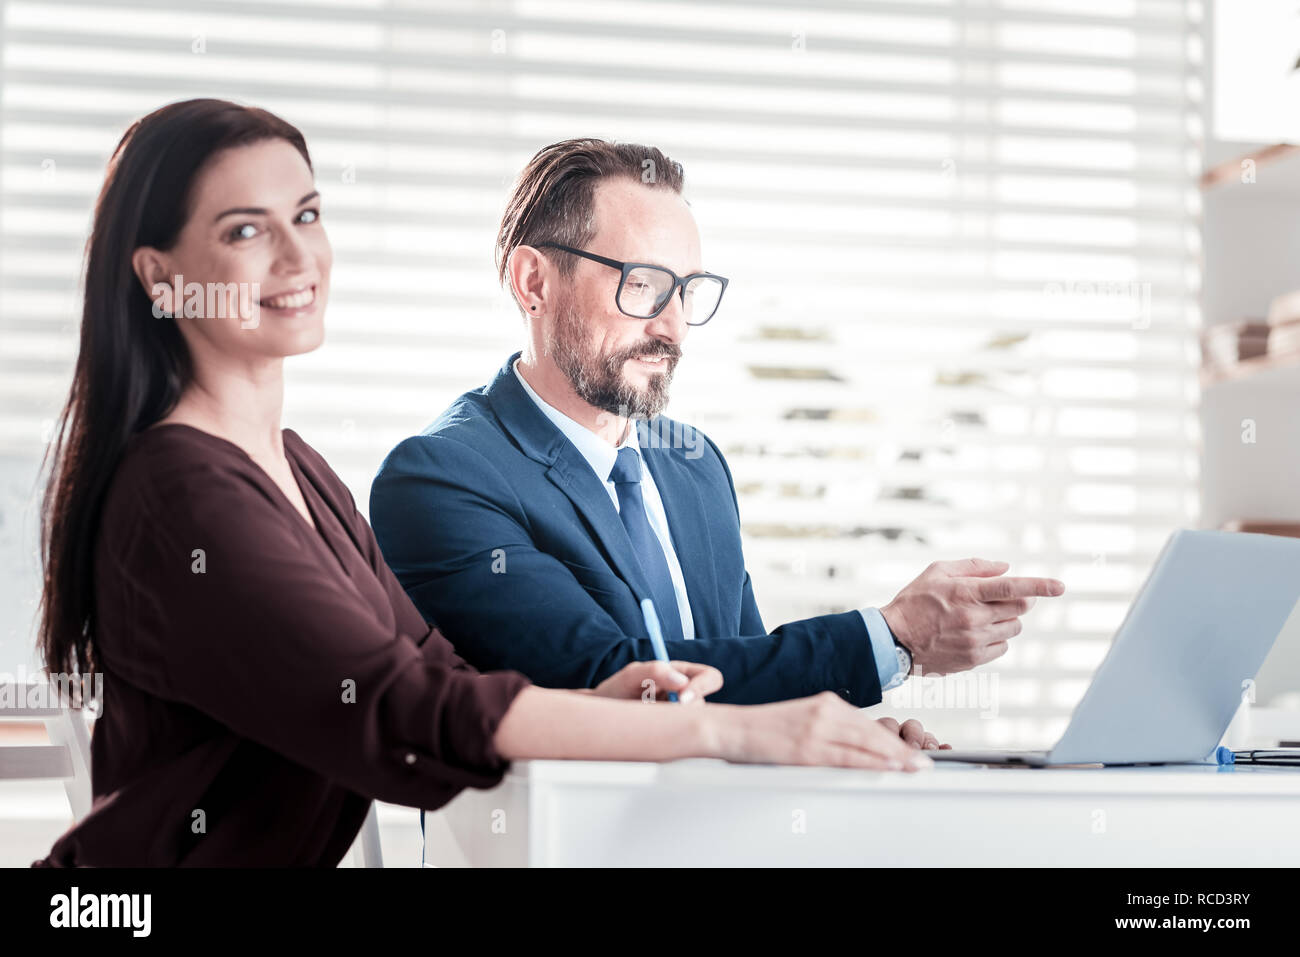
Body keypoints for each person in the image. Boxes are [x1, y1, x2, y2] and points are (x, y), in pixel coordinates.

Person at [32, 101, 938, 867]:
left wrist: (609, 707)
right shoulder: (180, 492)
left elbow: (435, 668)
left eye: (307, 215)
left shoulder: (296, 466)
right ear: (161, 277)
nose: (297, 257)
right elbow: (399, 710)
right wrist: (733, 728)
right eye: (244, 230)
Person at [370, 138, 1065, 707]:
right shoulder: (441, 477)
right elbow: (610, 676)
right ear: (534, 283)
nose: (670, 326)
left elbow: (743, 681)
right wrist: (889, 636)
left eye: (688, 291)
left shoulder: (693, 464)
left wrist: (826, 731)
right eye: (641, 284)